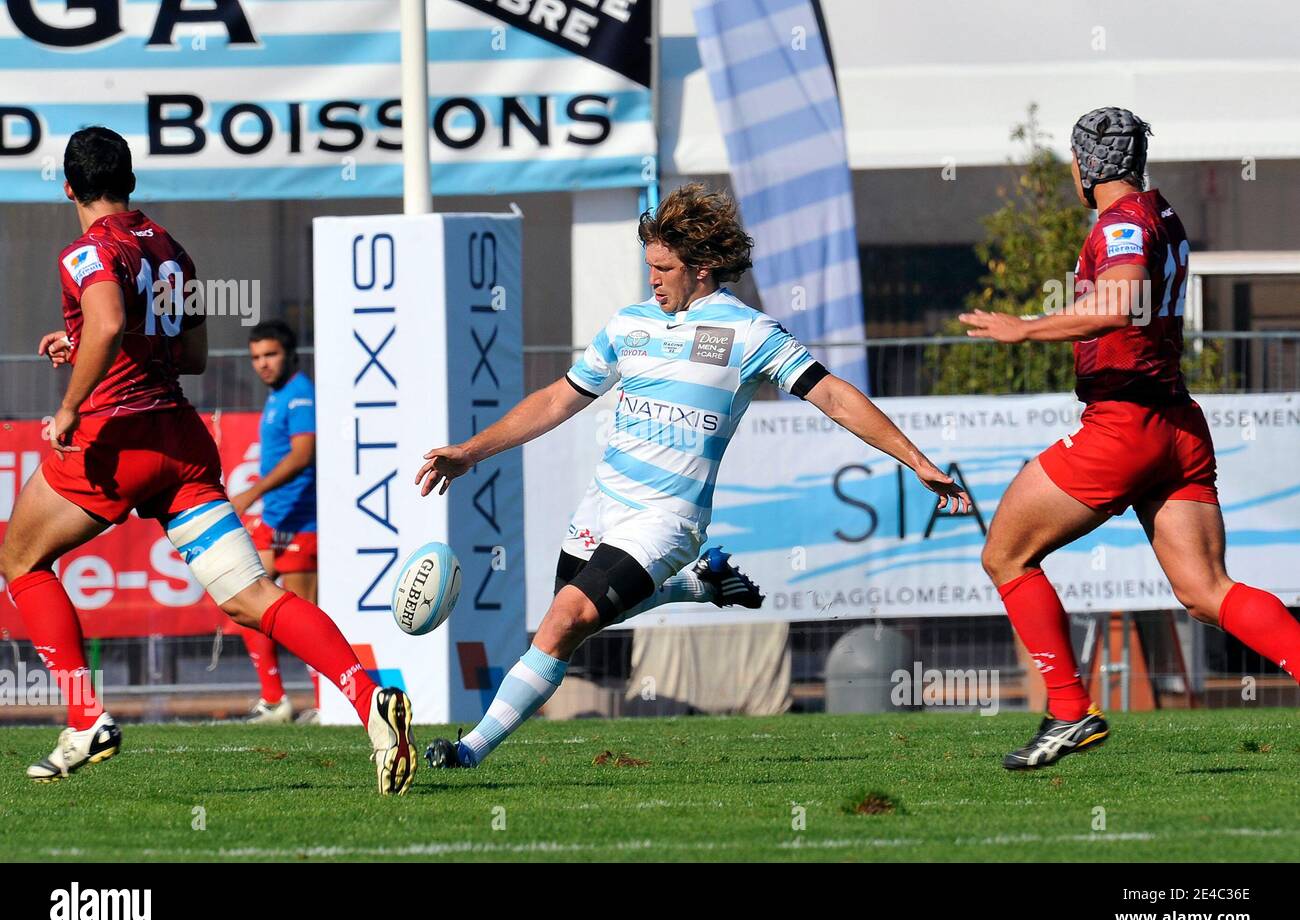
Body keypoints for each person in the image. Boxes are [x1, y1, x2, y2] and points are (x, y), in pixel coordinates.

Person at [417, 183, 971, 769]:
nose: (652, 279)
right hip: (602, 507)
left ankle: (467, 751)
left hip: (666, 519)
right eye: (648, 266)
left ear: (702, 269)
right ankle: (699, 586)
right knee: (576, 622)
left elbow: (832, 395)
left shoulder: (750, 333)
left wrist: (917, 460)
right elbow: (558, 399)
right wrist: (473, 451)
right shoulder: (628, 325)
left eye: (664, 268)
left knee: (562, 621)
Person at [0, 127, 415, 793]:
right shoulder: (169, 248)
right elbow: (187, 356)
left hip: (116, 437)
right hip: (181, 443)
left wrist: (74, 402)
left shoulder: (85, 251)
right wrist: (80, 340)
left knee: (20, 560)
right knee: (253, 598)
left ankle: (85, 717)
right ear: (128, 180)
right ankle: (369, 699)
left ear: (69, 187)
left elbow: (106, 323)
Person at [960, 106, 1300, 769]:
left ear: (1086, 166)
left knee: (1005, 556)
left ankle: (1069, 710)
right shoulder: (1161, 213)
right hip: (1176, 422)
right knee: (1206, 593)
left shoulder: (1121, 224)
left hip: (1126, 424)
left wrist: (1024, 327)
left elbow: (1118, 304)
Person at [231, 320, 320, 724]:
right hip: (274, 523)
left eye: (271, 355)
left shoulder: (301, 393)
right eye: (256, 358)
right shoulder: (278, 396)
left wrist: (252, 492)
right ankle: (274, 700)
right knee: (240, 598)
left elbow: (304, 455)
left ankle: (325, 704)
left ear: (290, 355)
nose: (263, 364)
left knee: (305, 615)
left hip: (303, 523)